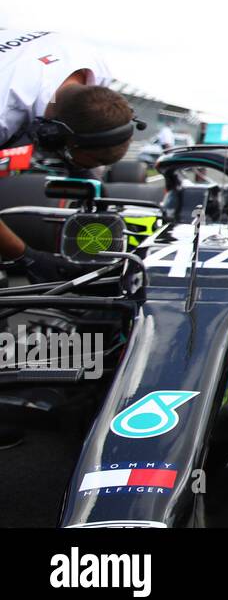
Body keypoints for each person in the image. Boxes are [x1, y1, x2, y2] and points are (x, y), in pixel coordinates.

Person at [0, 28, 140, 449]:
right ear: (56, 134)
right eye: (88, 160)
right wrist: (27, 257)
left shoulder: (92, 65)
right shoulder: (5, 106)